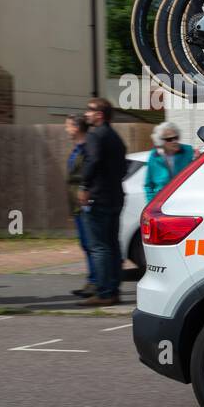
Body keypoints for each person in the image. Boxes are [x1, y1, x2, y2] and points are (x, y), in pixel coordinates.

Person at [79, 97, 127, 307]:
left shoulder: (95, 135)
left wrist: (84, 186)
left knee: (99, 247)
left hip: (98, 197)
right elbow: (123, 168)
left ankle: (104, 292)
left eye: (90, 110)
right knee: (112, 245)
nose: (86, 114)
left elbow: (93, 160)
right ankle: (114, 289)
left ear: (99, 115)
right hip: (116, 196)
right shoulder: (116, 137)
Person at [64, 114, 97, 298]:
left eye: (68, 126)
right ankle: (91, 280)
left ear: (76, 127)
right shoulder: (77, 149)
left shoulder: (86, 149)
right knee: (85, 244)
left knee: (91, 244)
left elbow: (86, 175)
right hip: (76, 204)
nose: (66, 129)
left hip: (85, 202)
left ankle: (95, 282)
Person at [144, 122, 195, 200]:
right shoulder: (154, 156)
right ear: (161, 141)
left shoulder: (188, 151)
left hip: (184, 200)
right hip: (161, 203)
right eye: (169, 139)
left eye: (176, 137)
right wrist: (151, 203)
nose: (174, 141)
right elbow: (148, 185)